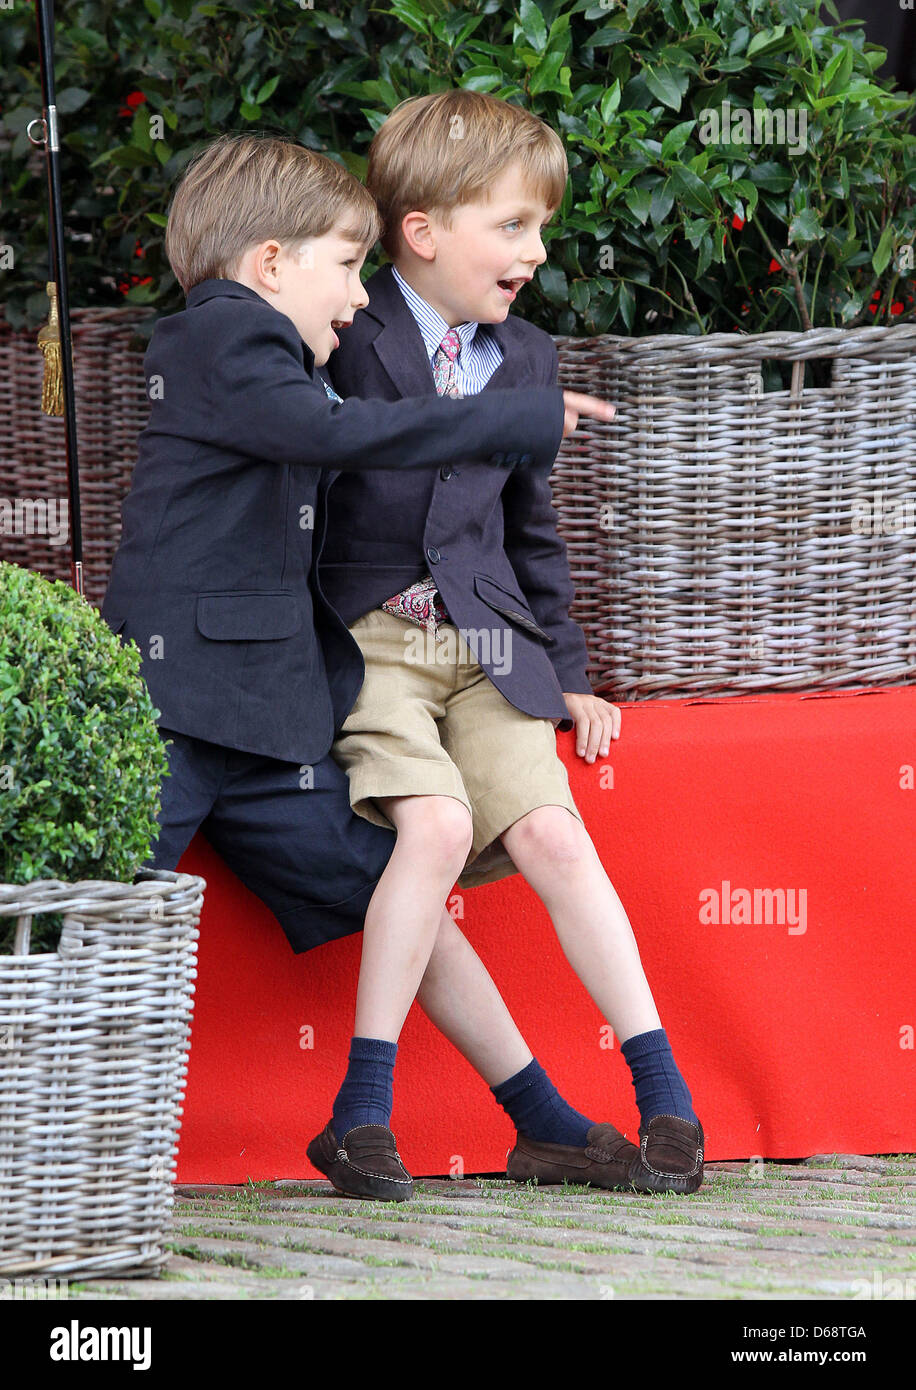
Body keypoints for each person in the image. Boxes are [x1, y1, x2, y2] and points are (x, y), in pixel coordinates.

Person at [100, 130, 627, 1201]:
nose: (360, 290)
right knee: (100, 917)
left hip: (259, 725)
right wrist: (510, 415)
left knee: (403, 896)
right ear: (268, 265)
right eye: (346, 265)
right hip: (172, 711)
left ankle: (541, 1119)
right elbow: (335, 437)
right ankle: (67, 1141)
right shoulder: (221, 342)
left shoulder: (277, 352)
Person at [315, 90, 705, 1200]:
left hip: (488, 636)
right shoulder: (348, 332)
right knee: (432, 825)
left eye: (540, 229)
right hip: (377, 635)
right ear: (423, 230)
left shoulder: (527, 357)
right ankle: (363, 1110)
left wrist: (570, 675)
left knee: (554, 836)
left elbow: (530, 536)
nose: (534, 253)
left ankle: (666, 1095)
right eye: (513, 227)